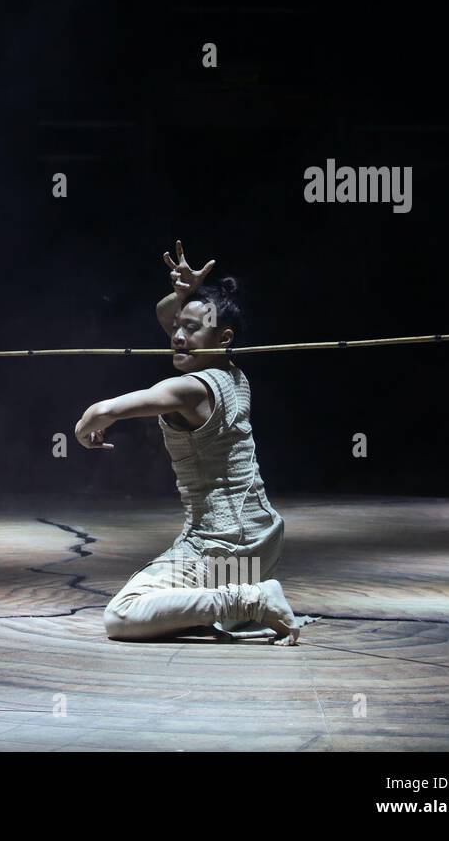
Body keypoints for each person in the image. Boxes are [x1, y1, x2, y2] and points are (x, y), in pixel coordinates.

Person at [75, 241, 314, 645]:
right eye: (176, 329)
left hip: (223, 546)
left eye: (192, 328)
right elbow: (167, 315)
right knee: (180, 605)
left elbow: (103, 411)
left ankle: (253, 599)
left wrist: (85, 429)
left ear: (223, 338)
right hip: (260, 543)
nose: (178, 336)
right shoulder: (235, 375)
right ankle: (243, 596)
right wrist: (187, 296)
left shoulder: (189, 390)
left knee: (123, 613)